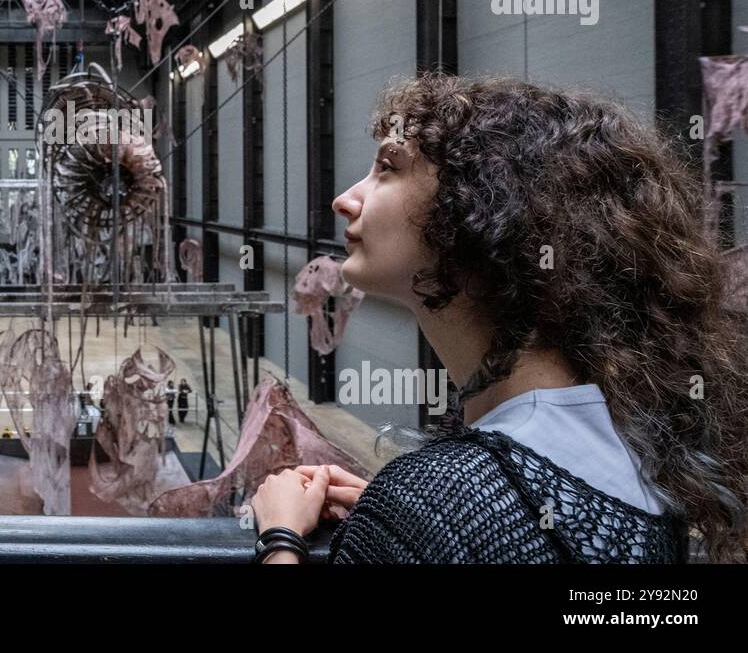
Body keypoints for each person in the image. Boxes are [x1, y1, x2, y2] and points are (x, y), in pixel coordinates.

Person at [251, 73, 748, 564]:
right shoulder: (639, 456)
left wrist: (279, 538)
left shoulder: (440, 499)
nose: (346, 200)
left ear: (482, 211)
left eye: (387, 167)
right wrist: (404, 532)